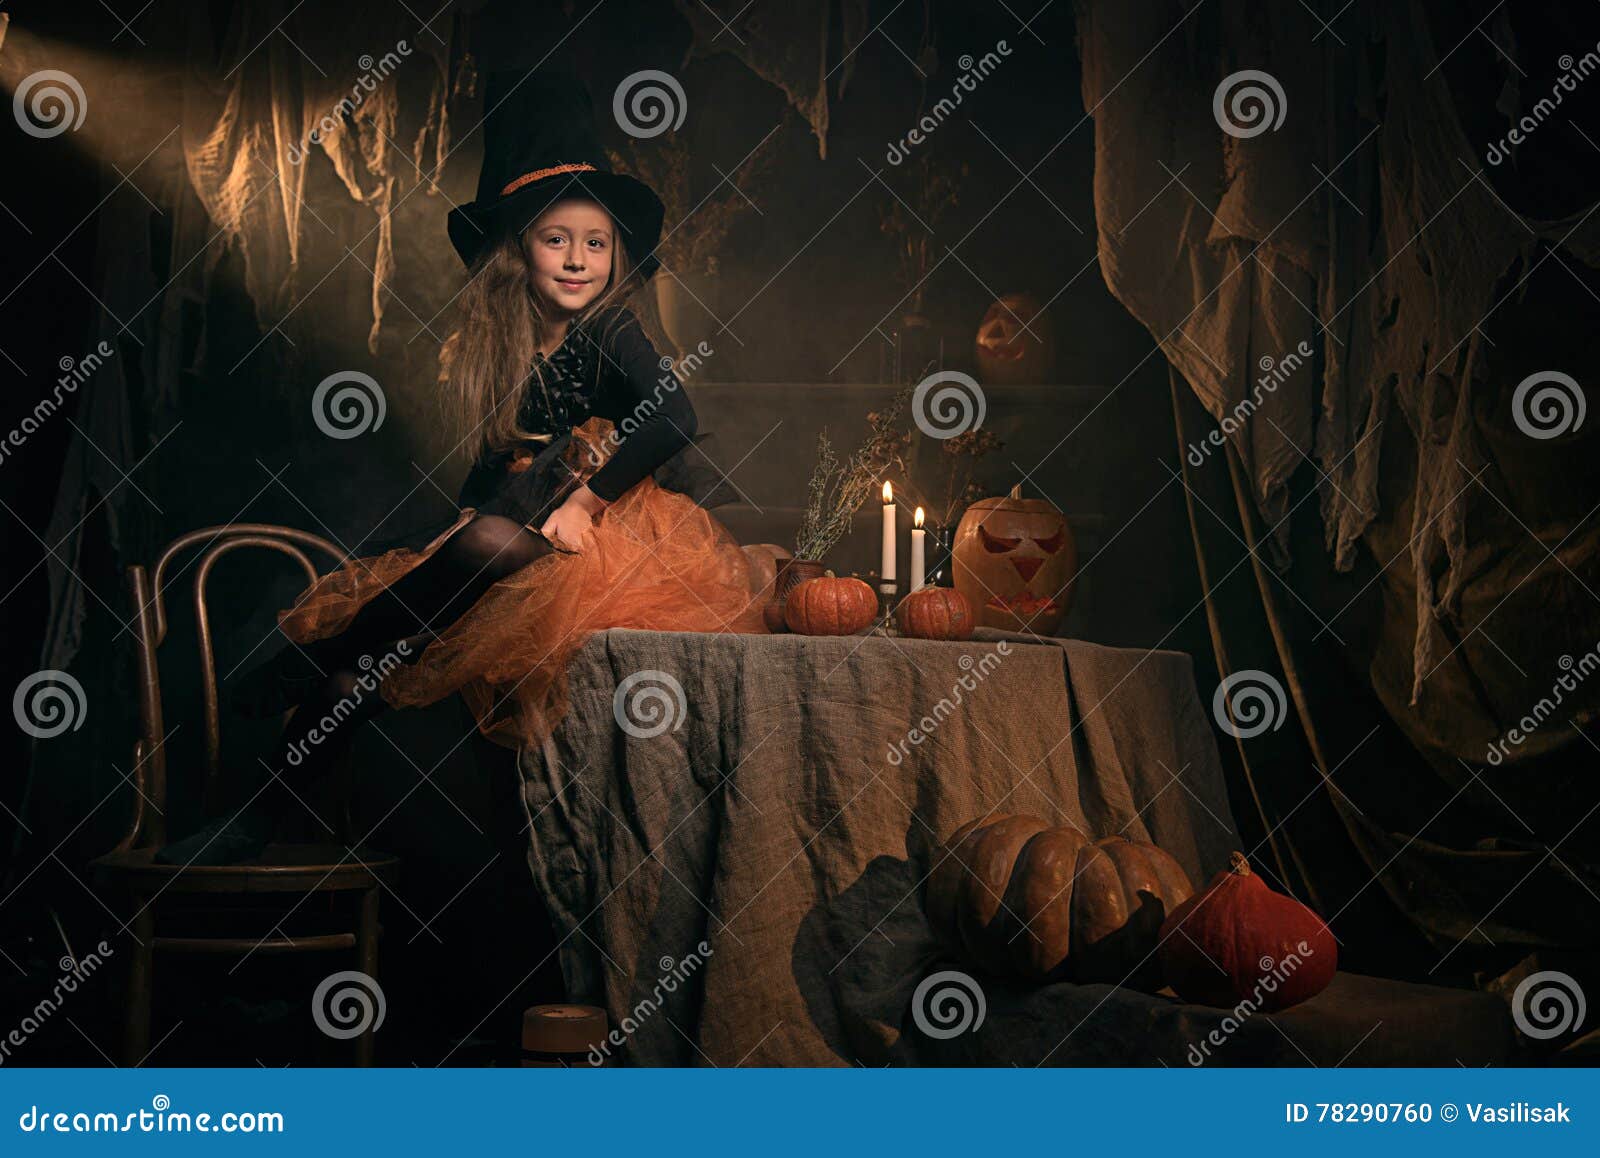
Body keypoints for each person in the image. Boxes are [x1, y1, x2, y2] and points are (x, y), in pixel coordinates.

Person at [155, 69, 767, 866]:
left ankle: (316, 654)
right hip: (516, 519)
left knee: (474, 554)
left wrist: (587, 501)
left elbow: (675, 418)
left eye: (595, 243)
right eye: (556, 240)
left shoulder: (613, 329)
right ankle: (262, 812)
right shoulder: (504, 340)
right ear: (520, 251)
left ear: (617, 254)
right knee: (363, 680)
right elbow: (490, 477)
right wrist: (467, 522)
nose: (577, 260)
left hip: (597, 530)